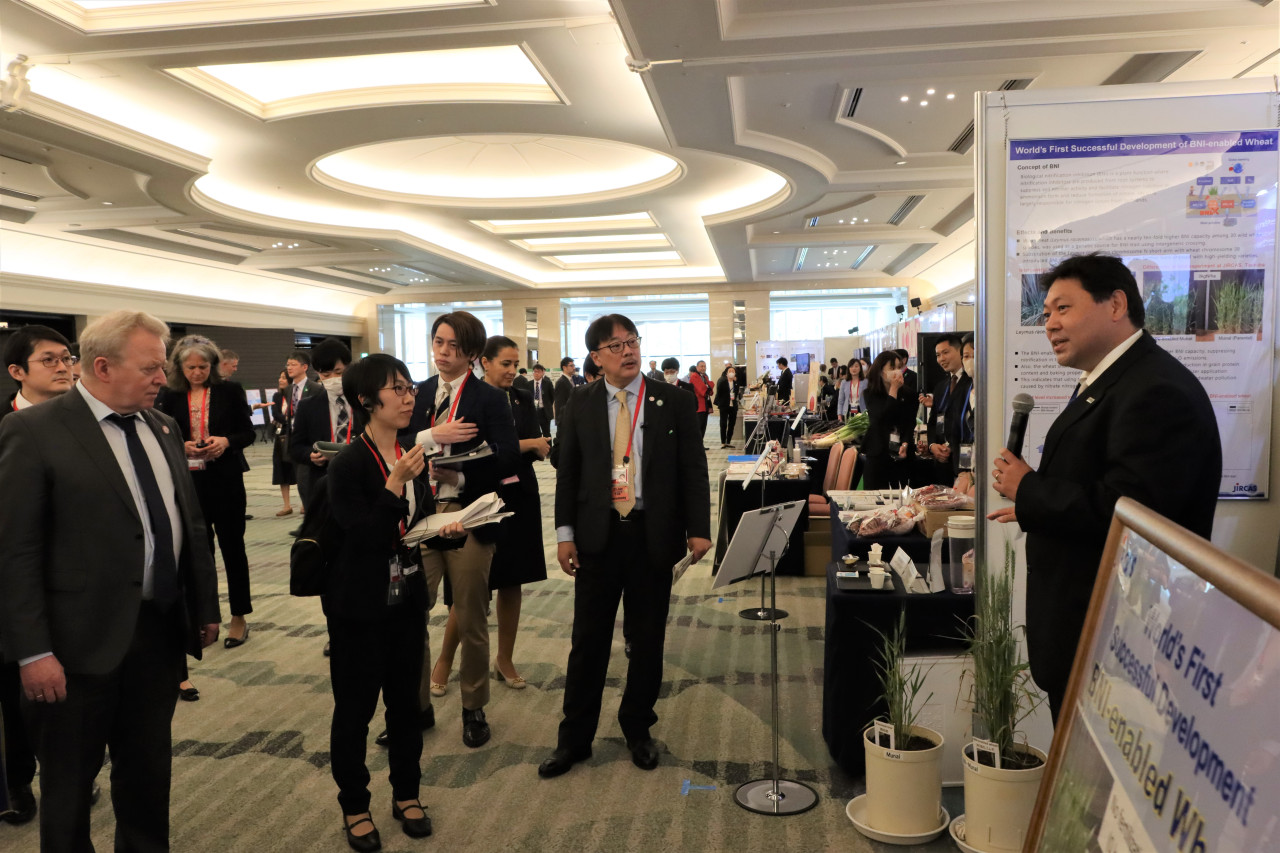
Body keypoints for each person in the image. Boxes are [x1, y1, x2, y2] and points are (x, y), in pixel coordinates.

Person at [0, 310, 220, 852]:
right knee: (70, 789)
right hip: (73, 646)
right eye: (149, 368)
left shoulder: (162, 426)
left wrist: (204, 607)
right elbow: (15, 551)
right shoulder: (33, 431)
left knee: (148, 777)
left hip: (156, 633)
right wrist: (32, 653)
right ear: (101, 366)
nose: (160, 379)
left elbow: (188, 523)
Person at [989, 253, 1221, 723]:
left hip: (1117, 639)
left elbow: (1134, 512)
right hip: (1084, 631)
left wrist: (1032, 491)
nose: (1049, 324)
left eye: (1063, 309)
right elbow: (1099, 482)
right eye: (1046, 313)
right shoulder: (1112, 380)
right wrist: (1035, 499)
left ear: (1115, 304)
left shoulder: (1155, 390)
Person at [538, 314, 712, 778]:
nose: (628, 351)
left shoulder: (672, 401)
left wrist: (700, 528)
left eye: (632, 341)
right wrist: (564, 535)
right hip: (597, 537)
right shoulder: (579, 402)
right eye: (615, 346)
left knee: (648, 638)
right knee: (587, 642)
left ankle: (638, 726)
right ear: (596, 357)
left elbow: (693, 469)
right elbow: (568, 473)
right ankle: (574, 738)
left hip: (652, 534)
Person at [325, 354, 466, 851]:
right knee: (355, 712)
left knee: (406, 709)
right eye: (397, 389)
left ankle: (407, 793)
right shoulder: (349, 465)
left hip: (405, 600)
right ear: (367, 401)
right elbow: (361, 538)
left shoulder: (410, 454)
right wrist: (394, 485)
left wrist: (448, 531)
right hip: (358, 609)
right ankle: (355, 805)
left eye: (409, 387)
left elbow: (414, 529)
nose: (409, 397)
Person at [404, 311, 519, 749]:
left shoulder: (488, 399)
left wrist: (463, 478)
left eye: (453, 346)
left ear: (472, 353)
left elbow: (507, 456)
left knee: (470, 614)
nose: (443, 353)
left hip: (468, 513)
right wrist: (433, 434)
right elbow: (394, 443)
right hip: (420, 515)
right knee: (411, 612)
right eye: (438, 343)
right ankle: (415, 707)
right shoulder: (418, 393)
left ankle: (473, 707)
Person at [429, 337, 549, 701]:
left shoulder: (523, 399)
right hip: (475, 498)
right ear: (484, 362)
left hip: (518, 497)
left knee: (513, 581)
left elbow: (530, 448)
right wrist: (526, 445)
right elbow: (494, 450)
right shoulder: (469, 399)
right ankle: (444, 662)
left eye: (516, 365)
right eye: (506, 364)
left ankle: (505, 660)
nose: (513, 371)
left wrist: (524, 447)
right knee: (470, 592)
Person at [0, 325, 76, 827]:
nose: (65, 367)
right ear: (18, 372)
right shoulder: (5, 428)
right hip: (17, 582)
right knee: (17, 694)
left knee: (70, 696)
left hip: (75, 585)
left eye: (68, 357)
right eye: (49, 360)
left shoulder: (83, 423)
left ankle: (71, 775)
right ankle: (17, 783)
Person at [156, 336, 255, 655]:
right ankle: (204, 615)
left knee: (232, 547)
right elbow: (161, 433)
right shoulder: (170, 395)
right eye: (190, 367)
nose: (197, 372)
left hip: (225, 479)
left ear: (212, 366)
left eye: (202, 366)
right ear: (179, 368)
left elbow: (248, 433)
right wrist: (179, 445)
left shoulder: (230, 391)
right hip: (189, 482)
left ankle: (239, 616)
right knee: (199, 552)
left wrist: (225, 441)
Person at [290, 339, 356, 515]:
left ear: (348, 368)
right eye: (326, 375)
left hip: (361, 479)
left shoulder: (364, 402)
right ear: (318, 374)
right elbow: (295, 447)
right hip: (324, 481)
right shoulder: (308, 406)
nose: (333, 379)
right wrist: (310, 455)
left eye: (339, 372)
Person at [919, 334, 971, 485]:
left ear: (960, 352)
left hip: (964, 462)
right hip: (942, 463)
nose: (941, 359)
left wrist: (951, 449)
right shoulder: (941, 386)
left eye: (946, 352)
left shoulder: (972, 382)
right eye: (938, 355)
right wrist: (932, 445)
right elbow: (933, 421)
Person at [861, 351, 915, 489]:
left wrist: (905, 442)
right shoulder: (870, 394)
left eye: (898, 367)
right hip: (878, 451)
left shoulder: (909, 394)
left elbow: (910, 422)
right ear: (880, 371)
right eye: (892, 368)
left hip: (901, 453)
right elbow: (881, 418)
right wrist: (893, 390)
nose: (897, 372)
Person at [268, 370, 299, 515]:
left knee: (299, 470)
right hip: (281, 437)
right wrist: (289, 422)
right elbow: (276, 414)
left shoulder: (297, 395)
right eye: (279, 377)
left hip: (296, 436)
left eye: (283, 377)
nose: (280, 380)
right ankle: (287, 505)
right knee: (281, 470)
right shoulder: (277, 396)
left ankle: (304, 504)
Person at [953, 335, 978, 496]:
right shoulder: (966, 390)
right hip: (966, 466)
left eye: (974, 356)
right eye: (966, 356)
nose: (969, 361)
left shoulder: (992, 390)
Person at [714, 364, 741, 448]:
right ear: (726, 373)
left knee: (732, 424)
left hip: (733, 406)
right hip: (724, 405)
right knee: (723, 424)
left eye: (733, 371)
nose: (732, 373)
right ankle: (723, 442)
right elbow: (719, 393)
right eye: (730, 371)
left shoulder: (736, 383)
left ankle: (728, 441)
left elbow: (736, 394)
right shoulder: (722, 382)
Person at [687, 360, 712, 445]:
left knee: (703, 426)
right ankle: (696, 445)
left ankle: (700, 445)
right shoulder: (694, 376)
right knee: (698, 427)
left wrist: (709, 386)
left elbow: (710, 391)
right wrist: (709, 386)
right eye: (701, 366)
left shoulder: (705, 377)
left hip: (705, 405)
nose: (703, 368)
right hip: (698, 406)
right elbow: (703, 391)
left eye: (704, 366)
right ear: (697, 367)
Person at [531, 363, 554, 438]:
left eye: (538, 372)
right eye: (535, 371)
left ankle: (549, 449)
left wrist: (547, 405)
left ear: (542, 372)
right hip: (533, 411)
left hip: (544, 412)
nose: (536, 373)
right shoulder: (528, 384)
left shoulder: (547, 383)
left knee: (546, 433)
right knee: (534, 432)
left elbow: (552, 396)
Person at [553, 356, 577, 421]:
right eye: (571, 366)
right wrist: (560, 421)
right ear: (564, 367)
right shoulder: (561, 382)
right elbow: (560, 404)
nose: (574, 368)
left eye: (574, 365)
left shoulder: (571, 380)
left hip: (572, 415)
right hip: (565, 419)